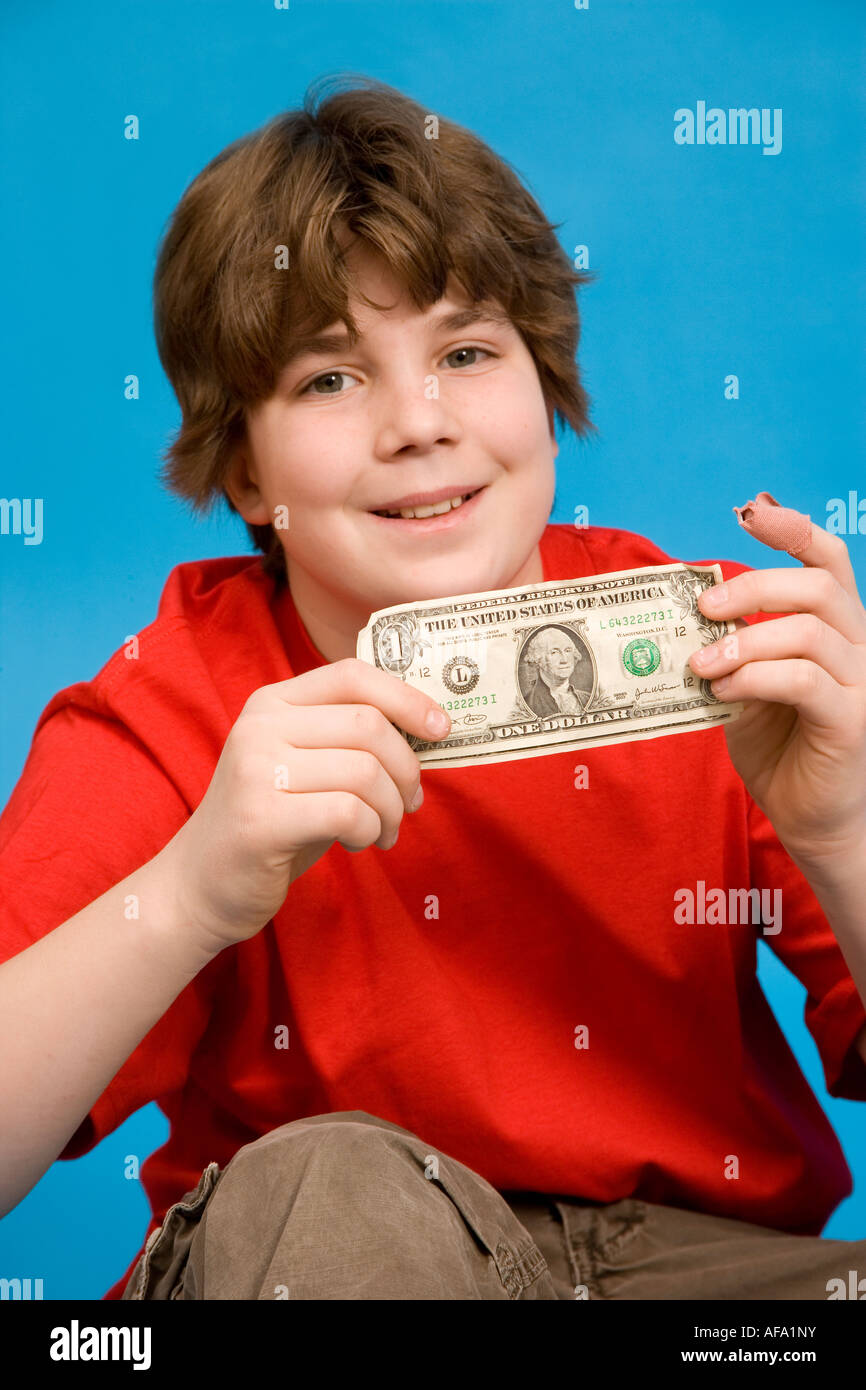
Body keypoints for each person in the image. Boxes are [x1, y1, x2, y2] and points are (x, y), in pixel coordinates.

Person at [2, 75, 865, 1303]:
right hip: (337, 1252)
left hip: (693, 1271)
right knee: (331, 1185)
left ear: (544, 391)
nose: (418, 422)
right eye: (329, 380)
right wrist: (192, 889)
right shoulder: (172, 706)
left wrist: (843, 824)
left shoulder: (726, 655)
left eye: (465, 352)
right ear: (244, 473)